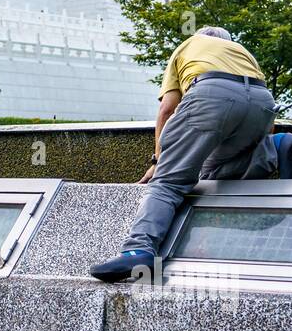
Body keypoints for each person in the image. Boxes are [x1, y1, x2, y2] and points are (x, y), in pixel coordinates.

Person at [90, 26, 277, 282]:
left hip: (211, 94)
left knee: (168, 183)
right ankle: (276, 149)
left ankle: (139, 250)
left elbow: (168, 109)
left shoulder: (189, 45)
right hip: (262, 103)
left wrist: (158, 161)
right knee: (213, 172)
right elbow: (265, 114)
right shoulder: (241, 51)